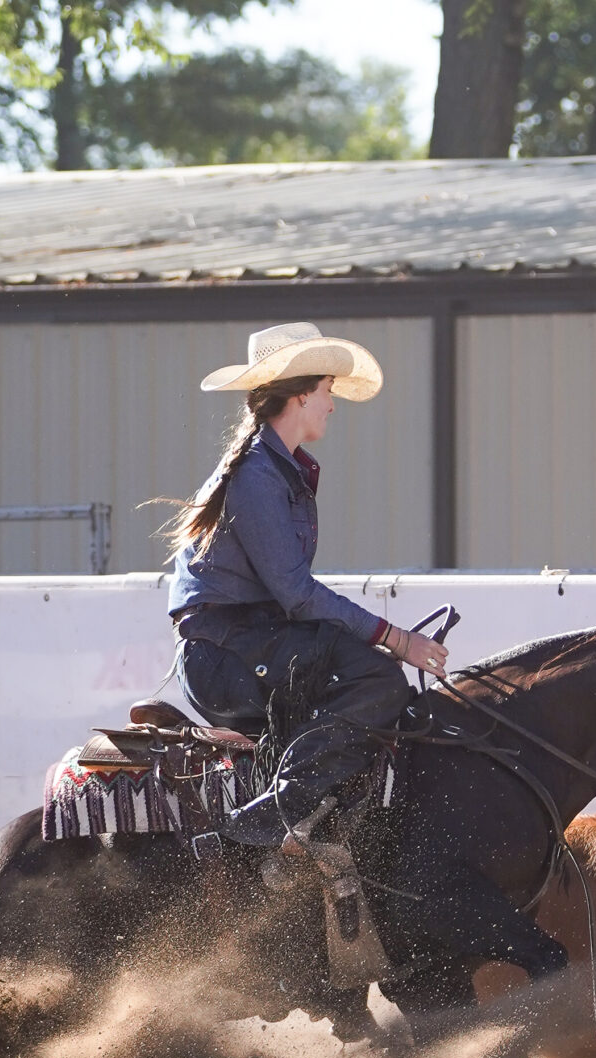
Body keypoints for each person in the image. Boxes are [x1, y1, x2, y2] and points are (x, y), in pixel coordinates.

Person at [168, 321, 449, 849]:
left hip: (241, 647)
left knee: (371, 678)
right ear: (300, 395)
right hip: (226, 657)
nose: (332, 405)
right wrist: (395, 638)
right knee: (381, 681)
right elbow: (297, 593)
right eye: (327, 391)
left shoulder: (269, 470)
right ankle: (278, 811)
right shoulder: (258, 477)